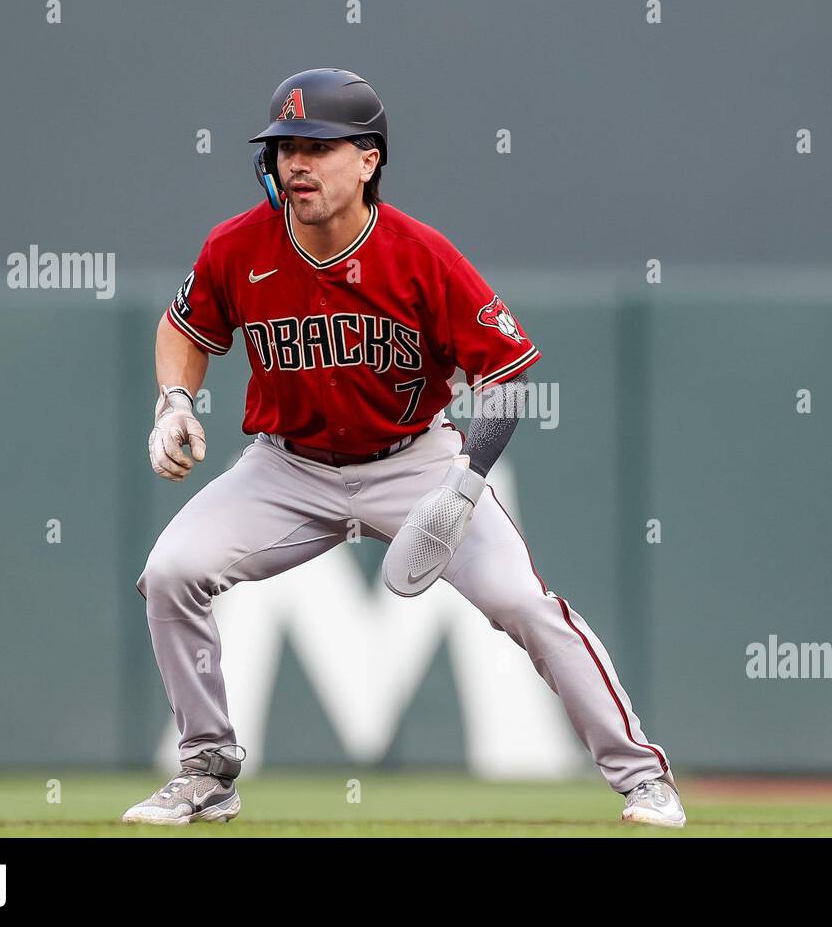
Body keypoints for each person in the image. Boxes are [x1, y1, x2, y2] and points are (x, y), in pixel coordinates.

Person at [121, 68, 684, 828]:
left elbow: (511, 378)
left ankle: (644, 778)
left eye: (319, 146)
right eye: (286, 146)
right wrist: (175, 402)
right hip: (285, 468)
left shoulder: (421, 255)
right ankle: (208, 771)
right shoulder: (238, 246)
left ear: (368, 159)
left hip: (414, 462)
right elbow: (185, 328)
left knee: (525, 603)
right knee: (170, 573)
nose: (297, 162)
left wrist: (464, 480)